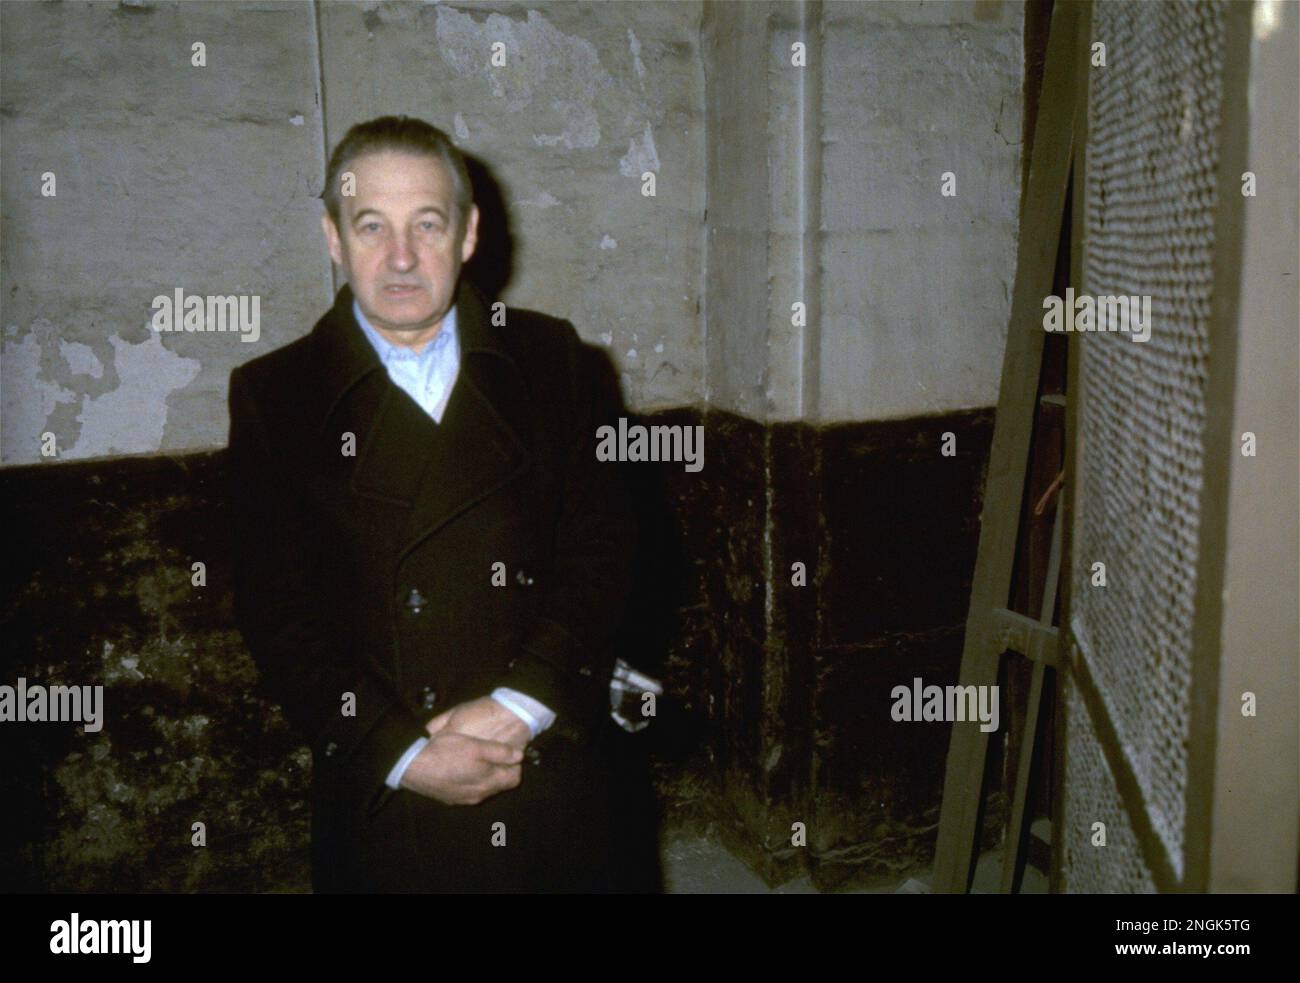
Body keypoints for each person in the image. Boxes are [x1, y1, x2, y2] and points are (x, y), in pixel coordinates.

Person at [227, 115, 654, 892]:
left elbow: (607, 548)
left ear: (468, 233)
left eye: (427, 223)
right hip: (390, 787)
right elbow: (277, 613)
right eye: (371, 226)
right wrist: (398, 753)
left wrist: (522, 702)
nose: (399, 257)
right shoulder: (275, 396)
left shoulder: (553, 359)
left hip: (549, 755)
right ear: (332, 236)